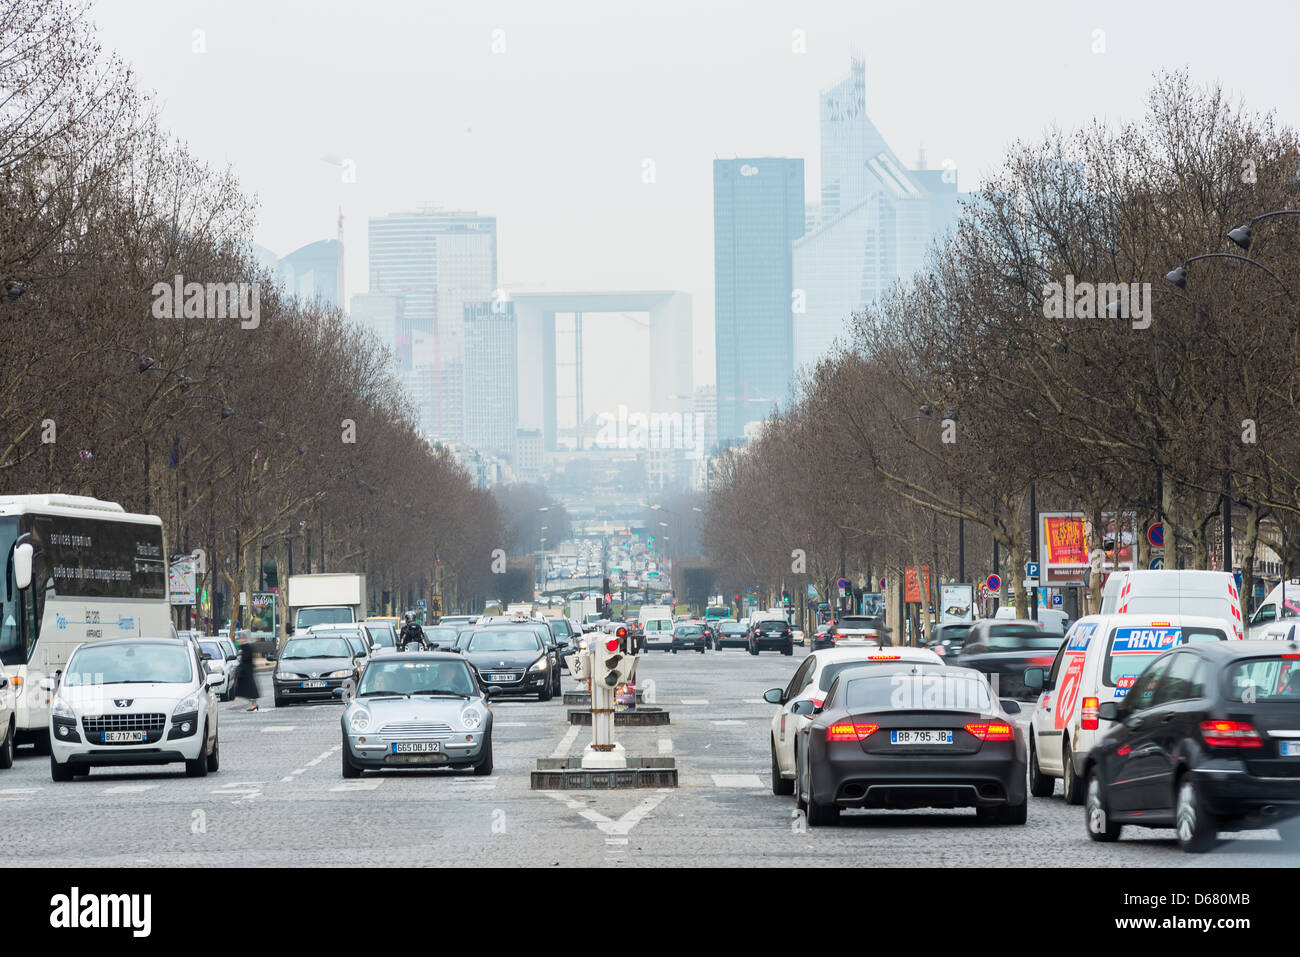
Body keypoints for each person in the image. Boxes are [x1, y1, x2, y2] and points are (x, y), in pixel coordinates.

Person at [233, 634, 262, 711]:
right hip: (245, 672)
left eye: (240, 639)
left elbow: (246, 658)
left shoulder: (247, 647)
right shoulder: (245, 648)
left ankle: (254, 704)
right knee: (246, 689)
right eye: (238, 640)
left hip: (247, 672)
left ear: (244, 639)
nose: (239, 641)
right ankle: (253, 703)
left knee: (250, 689)